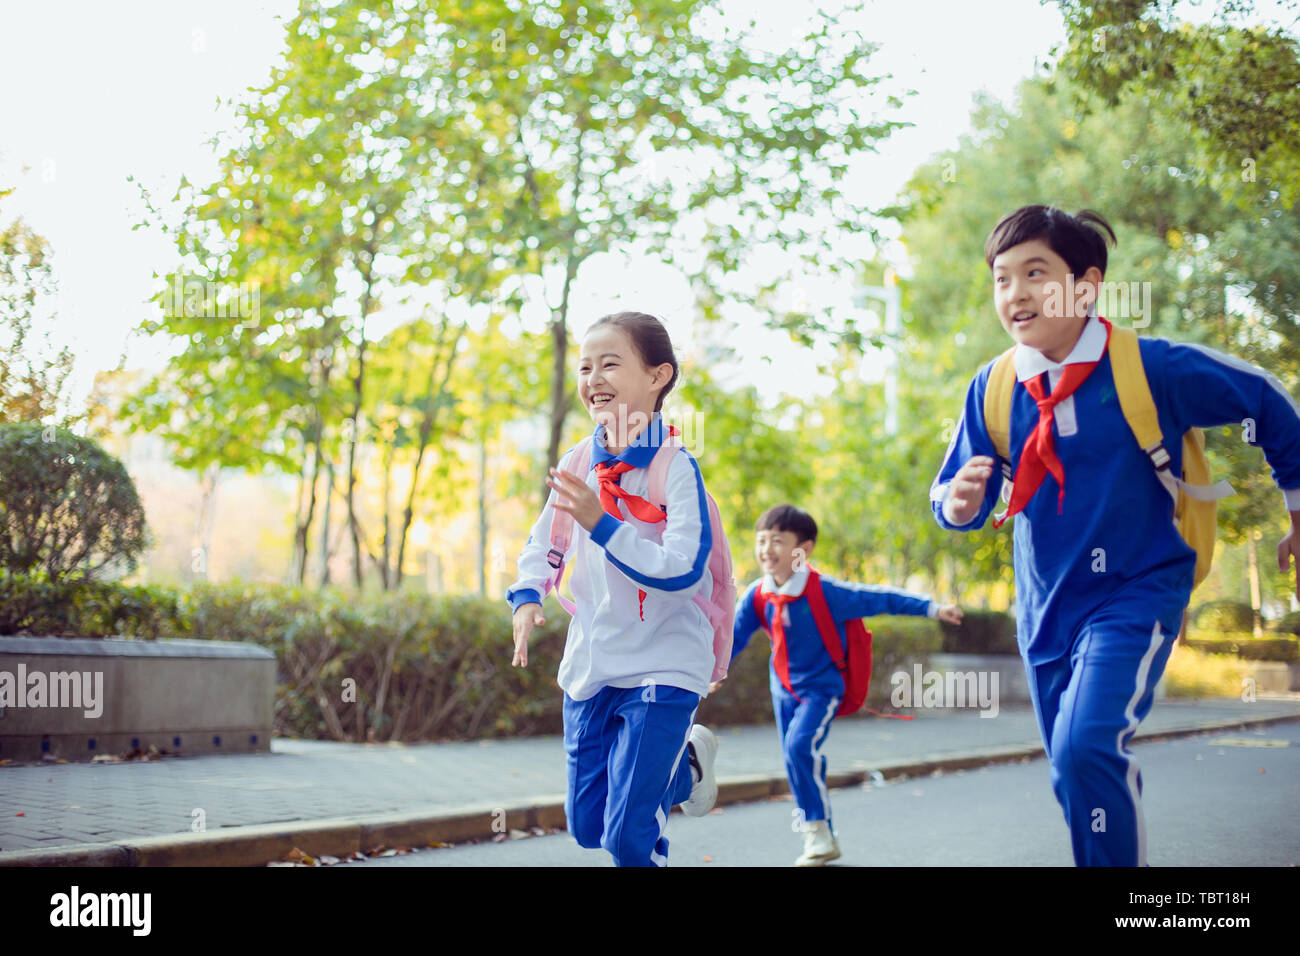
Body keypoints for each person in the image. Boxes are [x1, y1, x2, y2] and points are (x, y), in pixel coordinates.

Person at [930, 204, 1300, 866]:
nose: (1014, 293)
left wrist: (1297, 506)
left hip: (1137, 592)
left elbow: (1267, 397)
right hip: (1045, 612)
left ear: (1087, 284)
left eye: (1035, 273)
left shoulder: (1151, 369)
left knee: (1086, 747)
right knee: (1073, 772)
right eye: (1001, 278)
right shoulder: (994, 388)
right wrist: (957, 504)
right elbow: (953, 492)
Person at [506, 310, 720, 867]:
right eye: (584, 367)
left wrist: (601, 524)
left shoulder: (676, 468)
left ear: (657, 377)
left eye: (609, 364)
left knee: (628, 839)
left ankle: (664, 788)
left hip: (665, 662)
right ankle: (687, 767)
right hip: (595, 660)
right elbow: (546, 539)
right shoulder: (578, 461)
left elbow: (682, 571)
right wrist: (527, 595)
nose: (592, 378)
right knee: (588, 825)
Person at [723, 503, 962, 866]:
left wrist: (931, 608)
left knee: (800, 747)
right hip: (782, 689)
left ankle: (818, 833)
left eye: (777, 541)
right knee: (793, 756)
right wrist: (710, 673)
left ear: (803, 550)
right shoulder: (758, 595)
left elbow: (880, 598)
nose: (766, 549)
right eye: (761, 540)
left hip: (822, 689)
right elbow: (732, 640)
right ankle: (819, 836)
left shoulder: (826, 593)